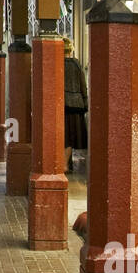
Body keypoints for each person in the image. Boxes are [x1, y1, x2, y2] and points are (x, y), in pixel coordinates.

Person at [62, 37, 89, 174]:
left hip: (63, 104)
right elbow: (83, 85)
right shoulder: (77, 64)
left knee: (65, 136)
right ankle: (67, 163)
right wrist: (85, 102)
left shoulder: (58, 64)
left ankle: (64, 164)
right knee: (71, 136)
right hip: (76, 104)